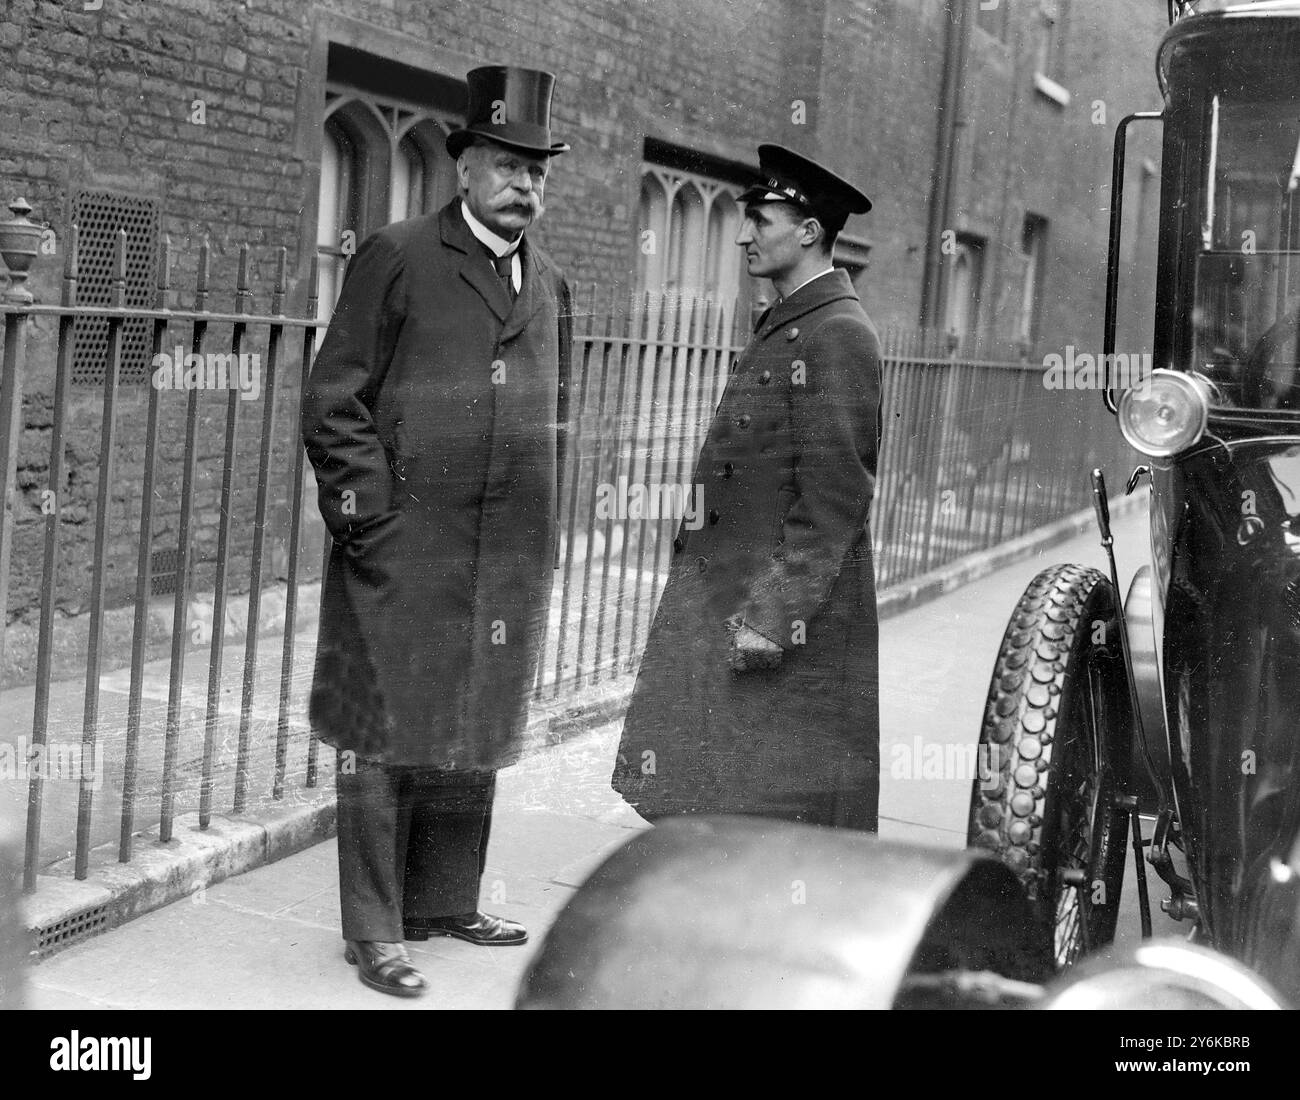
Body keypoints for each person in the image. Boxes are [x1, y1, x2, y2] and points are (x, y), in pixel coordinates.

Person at [301, 65, 571, 998]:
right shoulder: (400, 255)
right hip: (403, 548)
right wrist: (369, 525)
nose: (524, 183)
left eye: (537, 168)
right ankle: (375, 930)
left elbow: (552, 421)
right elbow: (333, 402)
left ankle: (445, 899)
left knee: (471, 723)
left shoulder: (552, 284)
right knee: (384, 732)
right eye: (505, 162)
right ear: (464, 167)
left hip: (501, 559)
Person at [612, 143, 881, 830]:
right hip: (731, 587)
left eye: (760, 219)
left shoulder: (839, 333)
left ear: (810, 230)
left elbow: (834, 500)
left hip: (779, 610)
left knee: (771, 803)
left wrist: (774, 615)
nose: (743, 234)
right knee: (715, 784)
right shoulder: (790, 318)